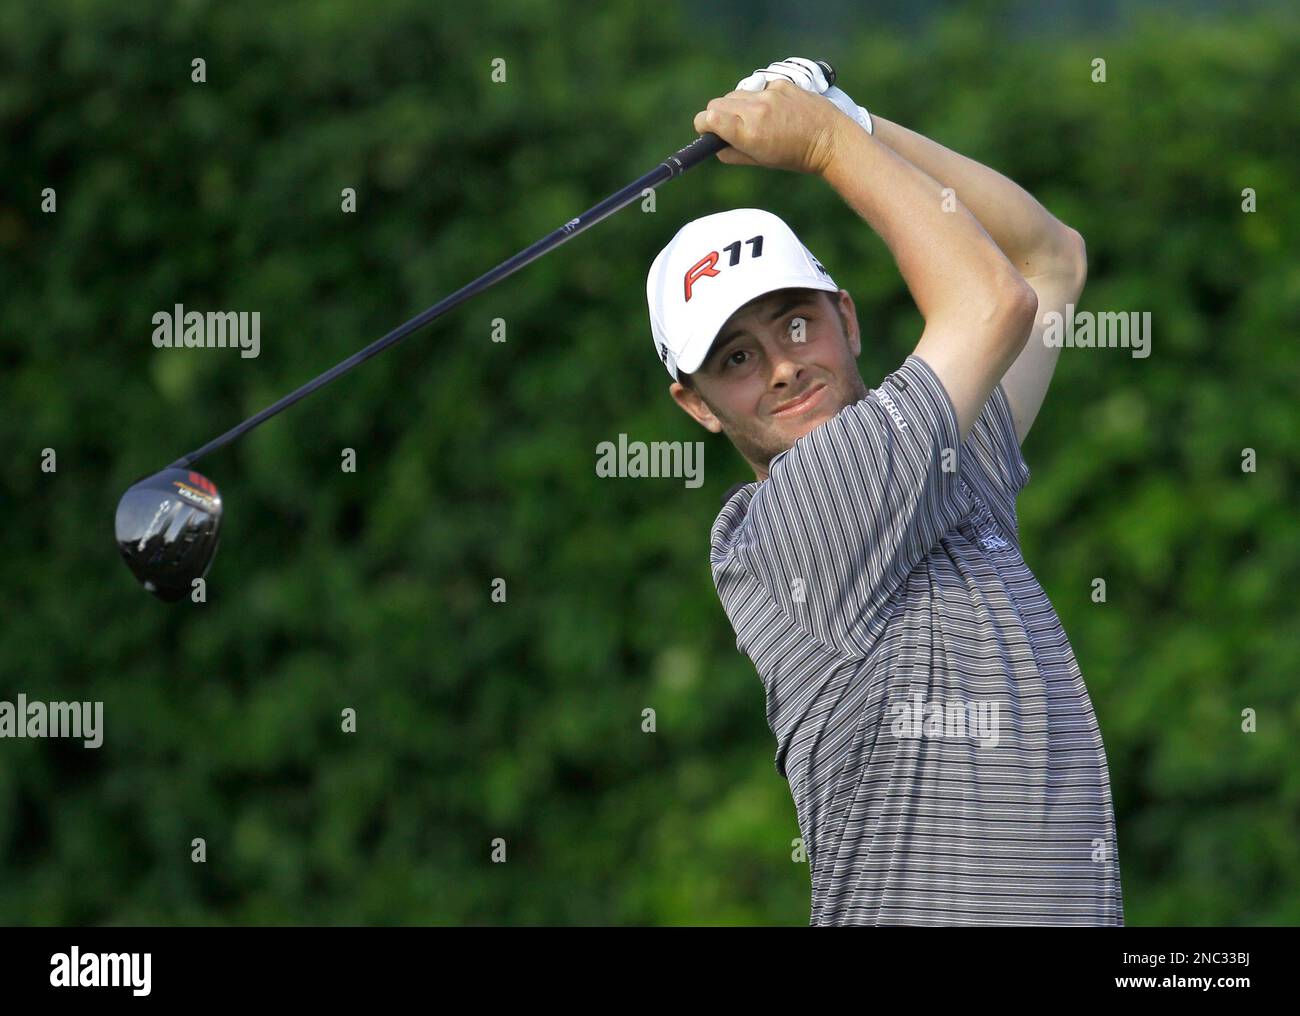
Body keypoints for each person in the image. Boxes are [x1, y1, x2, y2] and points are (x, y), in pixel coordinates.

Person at [645, 58, 1121, 926]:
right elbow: (995, 299)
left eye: (796, 321)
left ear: (847, 317)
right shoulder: (796, 518)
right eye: (736, 358)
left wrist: (851, 119)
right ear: (696, 405)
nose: (785, 366)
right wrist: (824, 143)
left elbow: (1050, 260)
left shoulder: (946, 458)